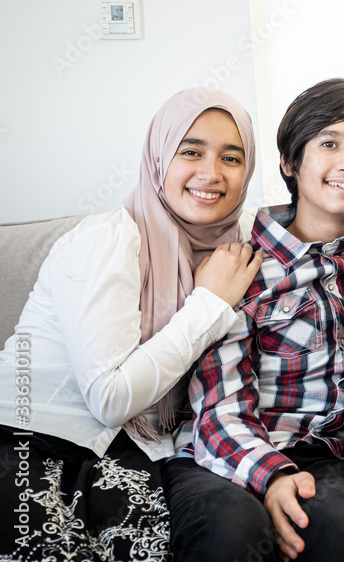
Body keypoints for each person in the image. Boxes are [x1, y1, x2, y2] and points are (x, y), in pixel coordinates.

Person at [0, 88, 261, 560]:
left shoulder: (236, 246)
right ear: (159, 157)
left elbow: (316, 229)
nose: (211, 173)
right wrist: (207, 303)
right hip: (28, 441)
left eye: (232, 157)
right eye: (191, 151)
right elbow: (110, 397)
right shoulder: (108, 241)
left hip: (137, 454)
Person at [165, 78, 344, 562]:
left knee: (338, 528)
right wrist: (271, 473)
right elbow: (219, 401)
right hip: (237, 444)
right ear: (289, 163)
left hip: (338, 453)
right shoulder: (244, 262)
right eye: (329, 143)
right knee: (233, 529)